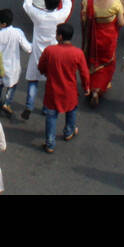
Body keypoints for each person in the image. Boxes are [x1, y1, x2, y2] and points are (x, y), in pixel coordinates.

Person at [36, 22, 90, 153]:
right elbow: (84, 72)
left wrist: (46, 72)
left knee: (51, 116)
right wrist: (86, 87)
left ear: (60, 36)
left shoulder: (50, 51)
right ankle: (68, 131)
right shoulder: (78, 53)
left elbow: (41, 67)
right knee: (71, 110)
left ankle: (50, 143)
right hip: (70, 90)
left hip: (53, 90)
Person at [81, 0, 124, 105]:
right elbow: (122, 23)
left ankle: (91, 87)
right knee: (107, 64)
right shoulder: (117, 4)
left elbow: (84, 19)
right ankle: (98, 90)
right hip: (109, 39)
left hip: (93, 38)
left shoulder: (87, 2)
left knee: (92, 61)